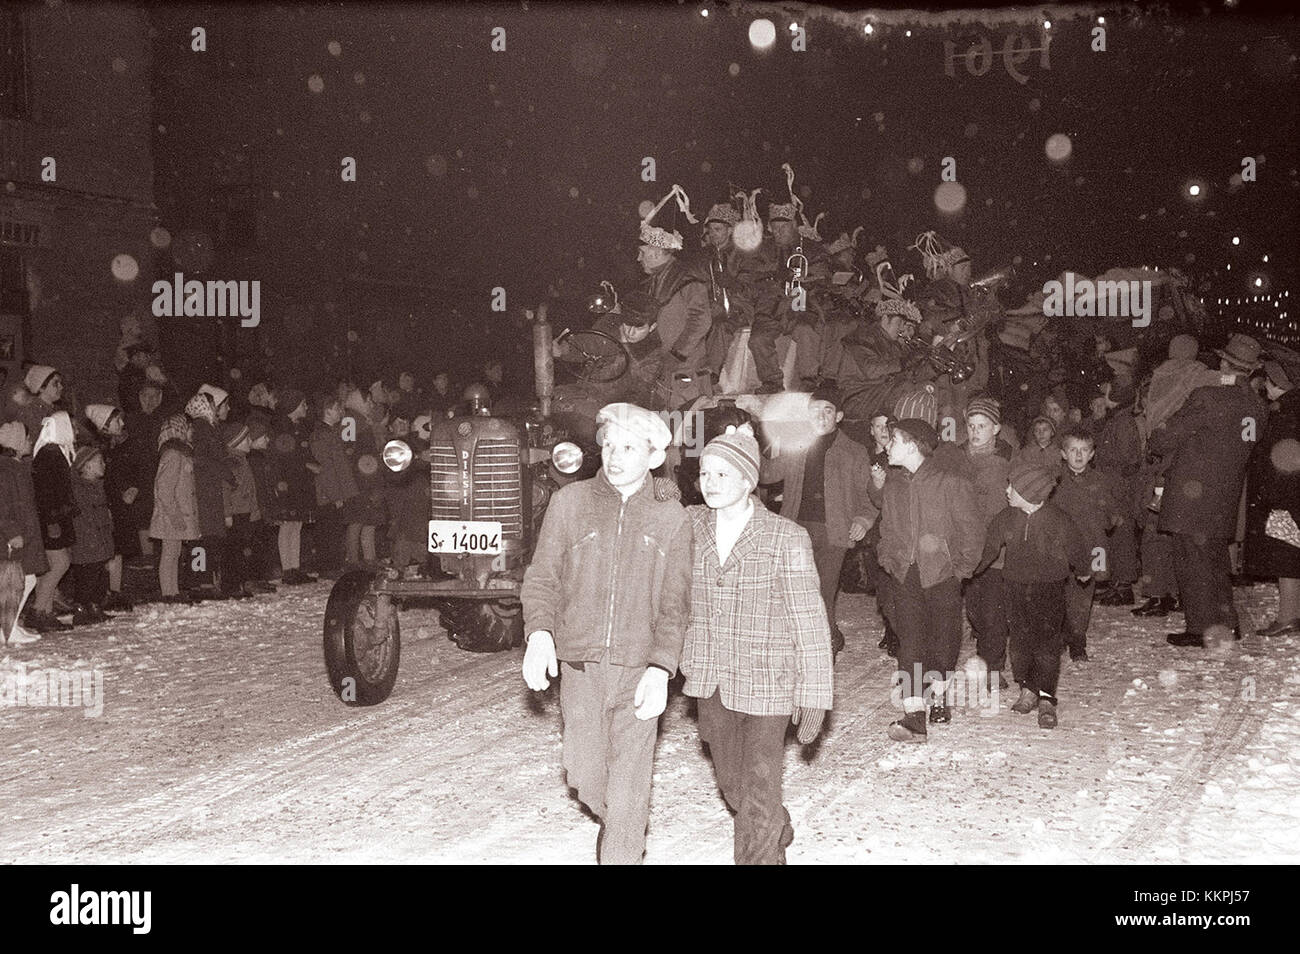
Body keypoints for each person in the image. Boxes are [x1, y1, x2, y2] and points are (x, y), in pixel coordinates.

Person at [520, 402, 692, 864]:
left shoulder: (672, 518)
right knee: (585, 774)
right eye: (609, 445)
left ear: (654, 457)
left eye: (629, 447)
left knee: (631, 782)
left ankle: (622, 847)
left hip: (639, 669)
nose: (615, 456)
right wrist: (540, 633)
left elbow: (676, 607)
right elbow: (541, 578)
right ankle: (620, 825)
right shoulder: (569, 503)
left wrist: (661, 668)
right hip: (581, 665)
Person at [681, 423, 832, 864]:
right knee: (734, 787)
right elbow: (646, 507)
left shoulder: (786, 538)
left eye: (723, 474)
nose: (710, 484)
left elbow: (810, 621)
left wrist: (815, 693)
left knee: (760, 787)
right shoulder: (692, 528)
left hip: (769, 683)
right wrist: (662, 492)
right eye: (705, 474)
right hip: (712, 681)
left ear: (749, 482)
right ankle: (774, 824)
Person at [1151, 334, 1268, 647]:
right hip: (1225, 496)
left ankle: (1201, 629)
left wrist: (1158, 432)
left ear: (1225, 362)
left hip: (1192, 494)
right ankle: (1227, 624)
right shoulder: (1257, 406)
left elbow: (1165, 438)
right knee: (1215, 560)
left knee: (1192, 562)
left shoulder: (1207, 396)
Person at [876, 417, 983, 741]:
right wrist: (888, 558)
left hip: (941, 575)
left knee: (944, 642)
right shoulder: (894, 485)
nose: (887, 445)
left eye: (892, 440)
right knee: (909, 642)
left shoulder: (950, 483)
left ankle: (939, 696)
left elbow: (972, 532)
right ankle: (914, 715)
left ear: (911, 445)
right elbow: (887, 529)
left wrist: (960, 570)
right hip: (906, 574)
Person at [759, 385, 874, 656]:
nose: (820, 417)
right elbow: (766, 475)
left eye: (828, 411)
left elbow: (867, 494)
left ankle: (823, 652)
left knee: (823, 590)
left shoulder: (854, 451)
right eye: (814, 411)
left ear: (839, 416)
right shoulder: (796, 445)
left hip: (833, 532)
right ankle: (823, 637)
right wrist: (747, 443)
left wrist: (863, 519)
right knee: (795, 589)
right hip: (796, 529)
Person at [975, 463, 1091, 729]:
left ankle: (1047, 698)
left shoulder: (1058, 519)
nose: (1006, 490)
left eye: (1012, 487)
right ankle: (1027, 689)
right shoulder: (1007, 517)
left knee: (1047, 643)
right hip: (1014, 586)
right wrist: (971, 571)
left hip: (1049, 588)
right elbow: (989, 548)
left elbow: (1077, 546)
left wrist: (1083, 570)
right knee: (1020, 641)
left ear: (1028, 492)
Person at [637, 188, 713, 409]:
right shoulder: (653, 282)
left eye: (642, 252)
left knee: (689, 431)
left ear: (658, 253)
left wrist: (677, 354)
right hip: (664, 369)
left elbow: (701, 321)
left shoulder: (688, 279)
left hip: (686, 371)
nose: (638, 257)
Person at [1051, 428, 1123, 661]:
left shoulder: (1100, 481)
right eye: (1073, 450)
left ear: (1092, 454)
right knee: (1058, 591)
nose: (1079, 455)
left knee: (1083, 594)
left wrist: (1106, 519)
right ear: (1063, 454)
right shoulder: (1055, 480)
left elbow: (1113, 513)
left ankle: (1077, 639)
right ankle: (1061, 633)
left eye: (1084, 450)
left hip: (1091, 545)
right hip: (1061, 547)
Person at [959, 395, 1015, 687]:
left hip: (996, 550)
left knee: (994, 611)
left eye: (982, 425)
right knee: (975, 609)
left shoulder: (1006, 462)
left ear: (995, 429)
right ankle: (986, 646)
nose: (975, 431)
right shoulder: (957, 460)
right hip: (966, 548)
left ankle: (993, 667)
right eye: (971, 425)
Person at [1245, 360, 1300, 636]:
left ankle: (1288, 617)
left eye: (1268, 380)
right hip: (1292, 493)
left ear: (1277, 384)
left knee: (1286, 557)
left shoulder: (1285, 413)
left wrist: (1276, 499)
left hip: (1287, 497)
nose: (1265, 385)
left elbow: (1284, 459)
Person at [28, 411, 78, 632]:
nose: (75, 431)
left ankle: (44, 612)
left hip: (53, 517)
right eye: (72, 427)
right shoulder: (51, 455)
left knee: (50, 566)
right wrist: (52, 521)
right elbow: (47, 493)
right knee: (60, 563)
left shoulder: (53, 452)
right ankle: (38, 610)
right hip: (52, 519)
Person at [0, 420, 48, 645]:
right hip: (14, 536)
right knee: (19, 581)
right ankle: (5, 628)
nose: (30, 441)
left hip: (25, 533)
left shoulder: (16, 466)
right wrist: (11, 532)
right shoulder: (5, 468)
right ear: (16, 442)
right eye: (27, 438)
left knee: (26, 579)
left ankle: (12, 623)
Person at [150, 414, 200, 604]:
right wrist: (174, 514)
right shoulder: (173, 455)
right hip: (171, 515)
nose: (192, 431)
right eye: (188, 427)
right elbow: (164, 488)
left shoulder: (181, 453)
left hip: (177, 514)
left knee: (174, 553)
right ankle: (168, 592)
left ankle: (173, 590)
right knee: (169, 553)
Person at [68, 444, 116, 624]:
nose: (103, 464)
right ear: (86, 466)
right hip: (87, 539)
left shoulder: (97, 486)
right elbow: (83, 517)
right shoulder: (79, 489)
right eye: (99, 461)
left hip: (98, 539)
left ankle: (94, 605)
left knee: (99, 574)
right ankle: (81, 608)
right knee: (86, 576)